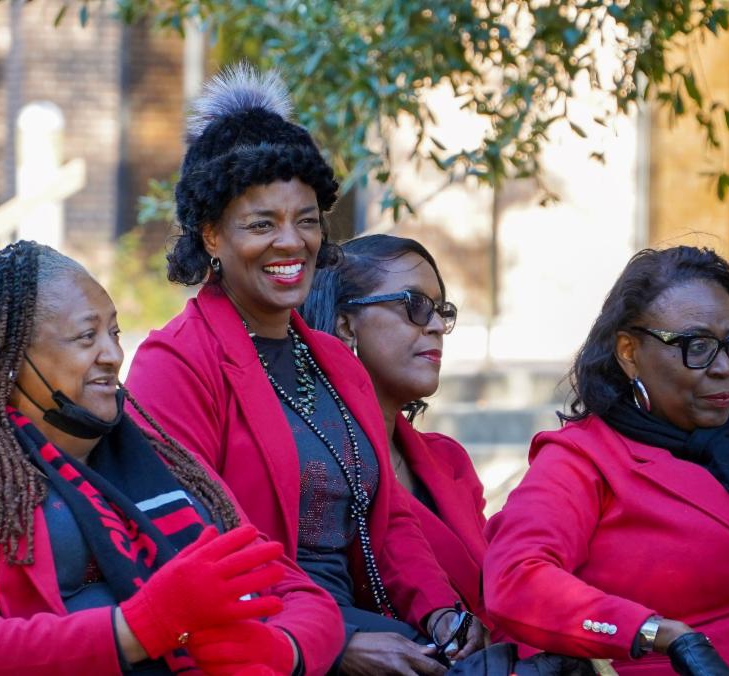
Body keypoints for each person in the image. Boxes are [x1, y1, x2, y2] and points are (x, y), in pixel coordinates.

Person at [126, 65, 478, 675]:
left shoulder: (336, 360)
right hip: (261, 641)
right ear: (210, 234)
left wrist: (441, 612)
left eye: (307, 219)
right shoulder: (174, 363)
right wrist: (337, 645)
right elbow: (190, 543)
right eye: (262, 223)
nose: (292, 243)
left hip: (367, 623)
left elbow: (387, 517)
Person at [0, 240, 342, 675]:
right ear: (10, 360)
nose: (112, 354)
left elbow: (297, 592)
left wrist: (284, 649)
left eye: (114, 332)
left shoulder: (161, 454)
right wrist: (138, 627)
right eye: (87, 337)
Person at [483, 246, 729, 674]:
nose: (725, 367)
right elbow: (516, 578)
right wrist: (657, 632)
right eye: (698, 346)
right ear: (629, 352)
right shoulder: (583, 458)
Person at [300, 234, 487, 620]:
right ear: (346, 327)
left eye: (441, 309)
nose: (435, 325)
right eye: (415, 305)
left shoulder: (449, 459)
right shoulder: (311, 457)